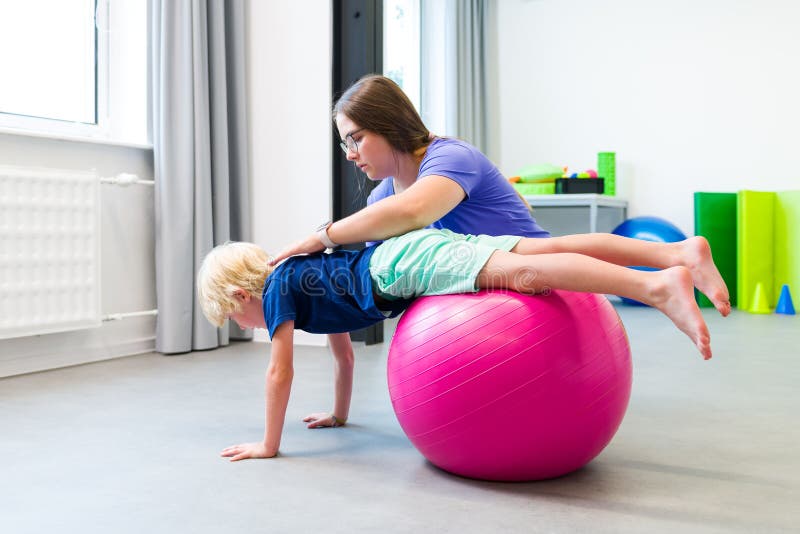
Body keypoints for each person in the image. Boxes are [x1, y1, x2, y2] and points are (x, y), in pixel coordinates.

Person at [197, 229, 730, 461]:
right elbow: (342, 350)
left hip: (404, 264)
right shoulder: (303, 282)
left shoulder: (280, 290)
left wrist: (269, 444)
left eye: (236, 317)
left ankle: (654, 286)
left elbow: (279, 373)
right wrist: (338, 414)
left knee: (525, 273)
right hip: (408, 253)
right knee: (552, 248)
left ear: (243, 294)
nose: (248, 324)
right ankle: (676, 253)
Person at [269, 74, 550, 265]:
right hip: (475, 302)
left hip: (540, 280)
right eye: (346, 145)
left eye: (356, 139)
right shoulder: (380, 201)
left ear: (389, 124)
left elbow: (412, 211)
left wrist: (322, 236)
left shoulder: (453, 157)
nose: (351, 155)